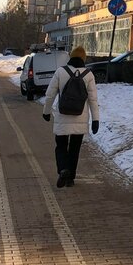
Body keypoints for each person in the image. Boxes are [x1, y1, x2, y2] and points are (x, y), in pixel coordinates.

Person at [42, 45, 99, 188]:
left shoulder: (61, 72)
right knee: (74, 149)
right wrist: (95, 120)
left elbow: (50, 94)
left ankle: (63, 170)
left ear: (71, 56)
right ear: (83, 58)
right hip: (80, 118)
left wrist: (46, 111)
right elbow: (93, 100)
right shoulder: (88, 75)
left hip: (62, 116)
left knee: (61, 146)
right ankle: (70, 178)